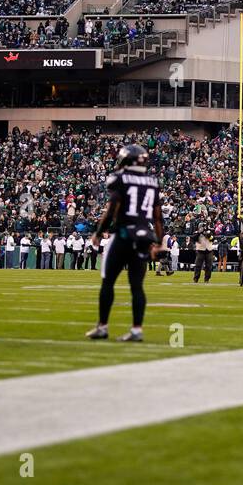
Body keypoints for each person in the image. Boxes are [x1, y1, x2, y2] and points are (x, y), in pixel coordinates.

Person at [85, 143, 163, 342]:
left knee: (108, 282)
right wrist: (159, 242)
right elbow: (157, 217)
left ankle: (102, 326)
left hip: (122, 235)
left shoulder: (119, 179)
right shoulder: (153, 182)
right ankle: (137, 330)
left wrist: (98, 232)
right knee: (137, 286)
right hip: (144, 236)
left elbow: (112, 209)